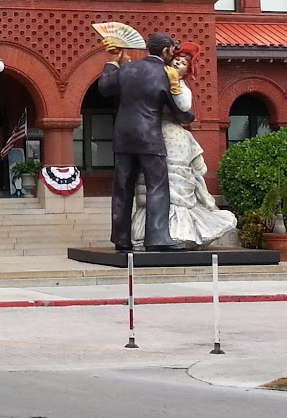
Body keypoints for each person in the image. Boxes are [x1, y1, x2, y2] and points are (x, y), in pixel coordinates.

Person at [131, 43, 235, 248]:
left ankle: (180, 231)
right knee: (155, 182)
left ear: (187, 70)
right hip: (153, 134)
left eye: (183, 64)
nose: (178, 64)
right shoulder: (155, 81)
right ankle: (151, 232)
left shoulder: (181, 87)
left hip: (176, 137)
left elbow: (184, 107)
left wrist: (175, 85)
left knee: (178, 181)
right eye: (176, 61)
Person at [98, 30, 194, 252]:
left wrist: (113, 62)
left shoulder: (128, 68)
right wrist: (187, 115)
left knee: (122, 189)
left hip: (123, 136)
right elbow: (180, 113)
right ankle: (157, 237)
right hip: (149, 138)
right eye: (173, 49)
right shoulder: (166, 73)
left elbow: (104, 87)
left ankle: (121, 238)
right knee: (157, 187)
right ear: (165, 50)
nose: (174, 53)